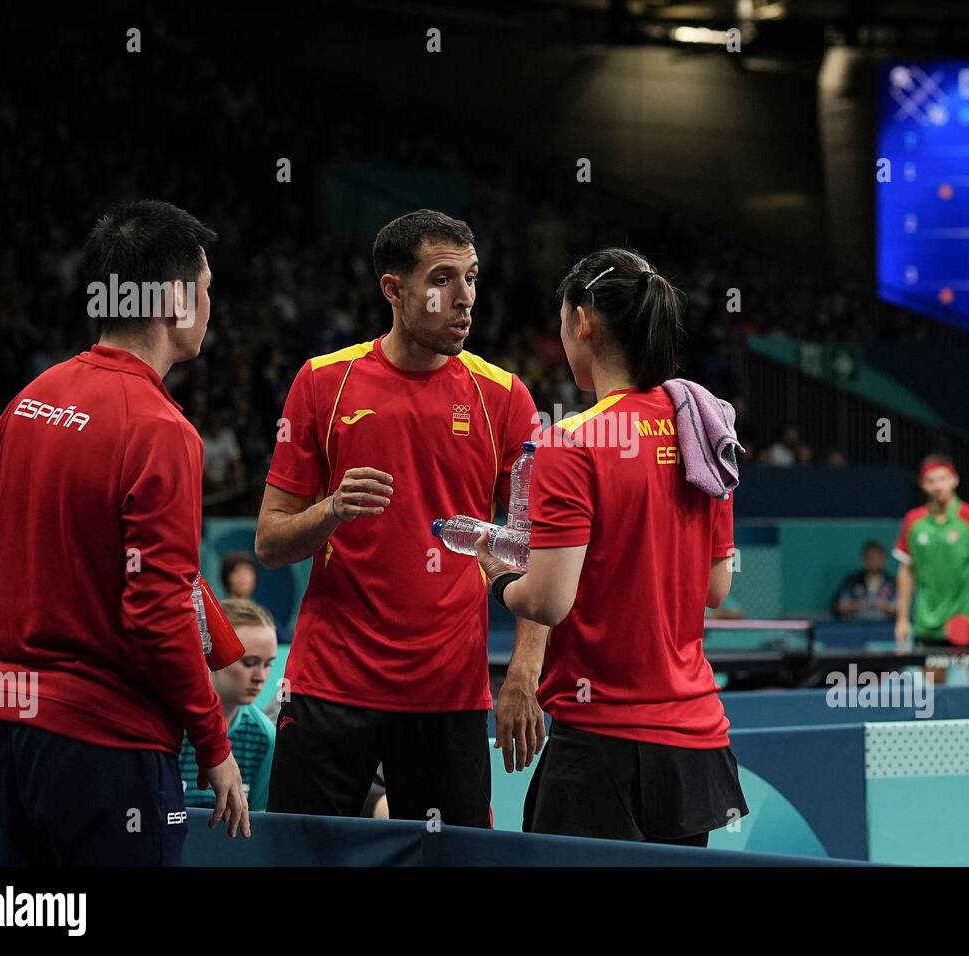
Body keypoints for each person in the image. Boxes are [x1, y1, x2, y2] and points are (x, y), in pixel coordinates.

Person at [0, 199, 249, 865]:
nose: (212, 308)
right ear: (177, 299)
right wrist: (214, 747)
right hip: (106, 747)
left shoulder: (30, 400)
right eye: (208, 291)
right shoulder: (162, 430)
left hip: (12, 735)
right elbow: (155, 612)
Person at [255, 210, 544, 827]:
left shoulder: (505, 397)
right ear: (393, 288)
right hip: (330, 685)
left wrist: (524, 669)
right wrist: (330, 511)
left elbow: (533, 549)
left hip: (449, 694)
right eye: (444, 278)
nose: (465, 297)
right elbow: (270, 544)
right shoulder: (322, 383)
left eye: (471, 277)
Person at [476, 248, 747, 846]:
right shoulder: (705, 428)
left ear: (584, 322)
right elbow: (715, 588)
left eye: (562, 321)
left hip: (602, 743)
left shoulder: (571, 441)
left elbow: (547, 603)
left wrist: (496, 571)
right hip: (693, 740)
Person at [893, 454, 969, 685]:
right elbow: (906, 571)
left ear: (954, 480)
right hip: (928, 622)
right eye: (931, 481)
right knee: (934, 689)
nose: (938, 486)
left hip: (967, 621)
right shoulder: (913, 521)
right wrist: (902, 618)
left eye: (943, 479)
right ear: (923, 485)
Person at [180, 599, 278, 811]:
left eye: (268, 663)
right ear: (210, 653)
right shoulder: (174, 725)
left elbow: (258, 819)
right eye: (249, 663)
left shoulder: (263, 734)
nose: (260, 676)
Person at [831, 540, 897, 621]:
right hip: (855, 627)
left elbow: (899, 609)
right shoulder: (852, 581)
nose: (872, 561)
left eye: (875, 557)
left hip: (885, 627)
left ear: (883, 559)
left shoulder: (892, 582)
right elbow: (841, 607)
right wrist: (862, 604)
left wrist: (882, 605)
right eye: (869, 557)